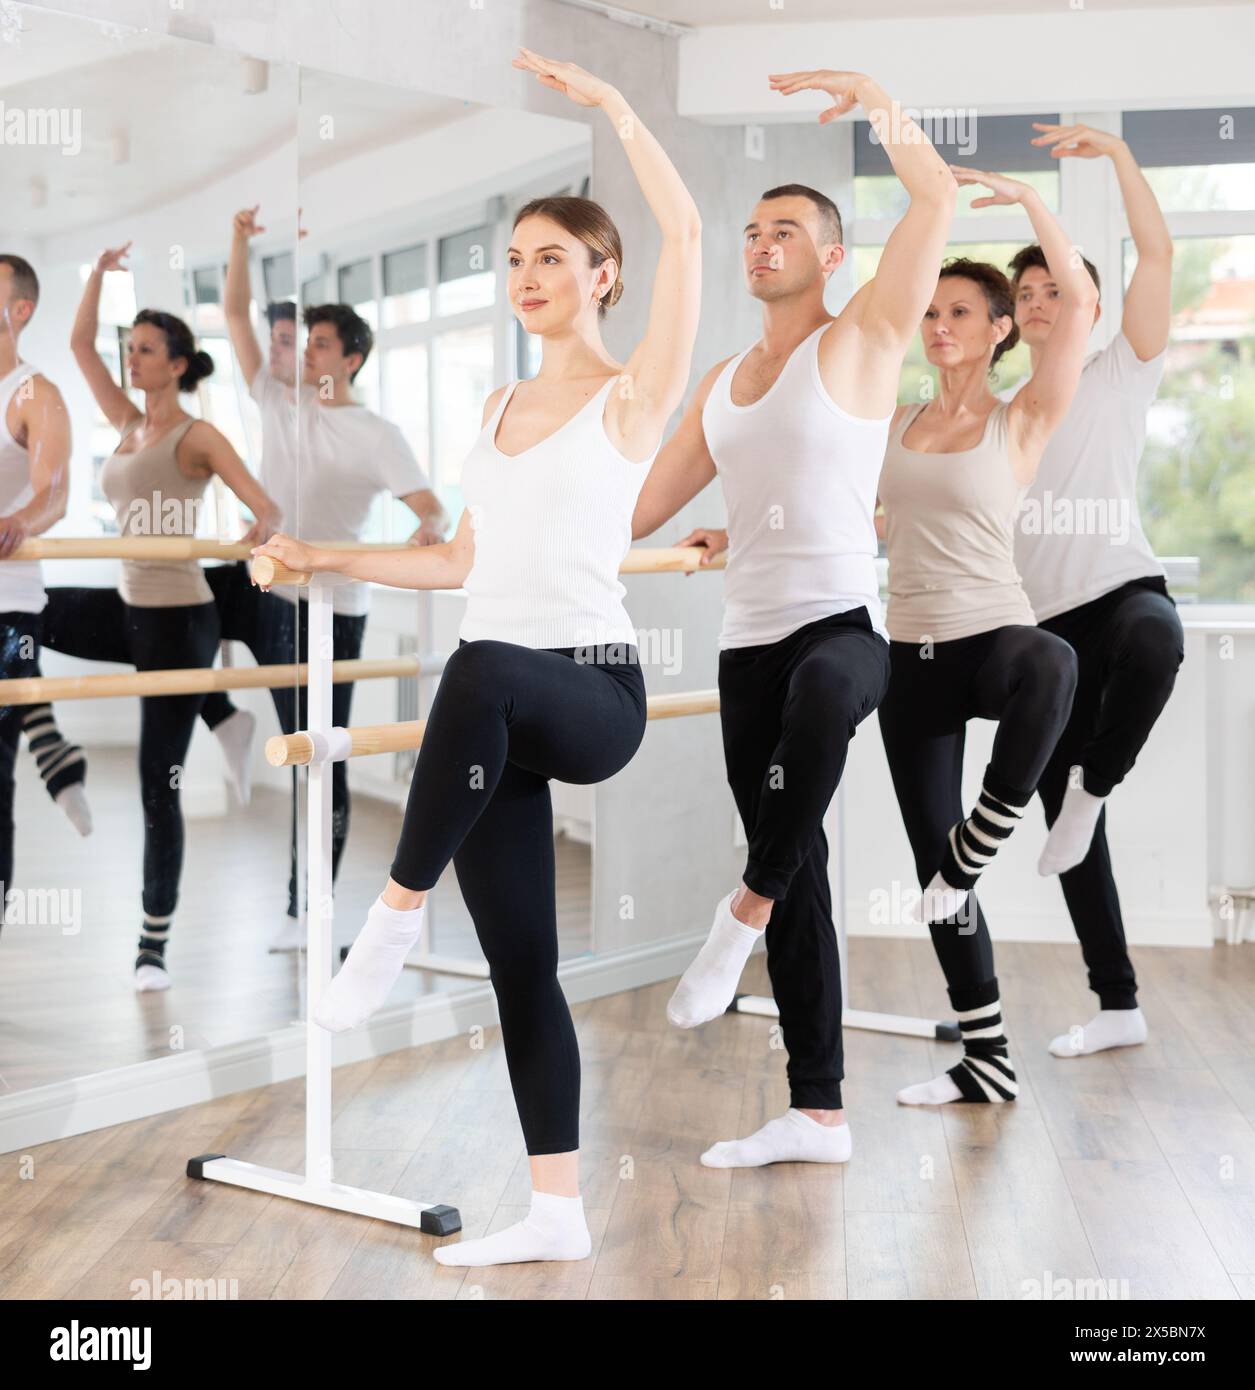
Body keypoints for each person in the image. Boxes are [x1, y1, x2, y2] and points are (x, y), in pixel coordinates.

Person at [253, 49, 700, 1267]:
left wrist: (615, 108)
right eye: (514, 260)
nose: (526, 277)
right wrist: (321, 560)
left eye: (551, 257)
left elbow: (691, 231)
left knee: (484, 664)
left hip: (593, 691)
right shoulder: (498, 413)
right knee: (522, 970)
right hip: (499, 704)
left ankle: (390, 917)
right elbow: (456, 565)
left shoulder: (629, 392)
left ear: (604, 275)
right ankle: (556, 1211)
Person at [631, 68, 956, 1166]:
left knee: (825, 695)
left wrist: (876, 98)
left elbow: (934, 202)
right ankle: (816, 1111)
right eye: (752, 230)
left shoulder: (859, 337)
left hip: (844, 628)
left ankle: (738, 915)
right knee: (803, 855)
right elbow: (640, 503)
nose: (761, 244)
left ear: (832, 258)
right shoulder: (724, 379)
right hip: (744, 645)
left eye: (787, 231)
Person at [874, 165, 1101, 1105]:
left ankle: (990, 832)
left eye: (960, 312)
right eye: (930, 313)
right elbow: (834, 509)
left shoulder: (1021, 419)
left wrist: (1032, 205)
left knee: (1053, 658)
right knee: (936, 882)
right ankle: (986, 1058)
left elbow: (1080, 301)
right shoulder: (887, 425)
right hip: (909, 654)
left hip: (991, 635)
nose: (938, 327)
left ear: (1000, 328)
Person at [197, 205, 448, 952]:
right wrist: (241, 239)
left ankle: (308, 907)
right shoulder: (278, 402)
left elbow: (429, 507)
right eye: (303, 342)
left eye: (320, 346)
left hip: (332, 612)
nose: (304, 354)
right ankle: (221, 719)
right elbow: (236, 312)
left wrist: (427, 531)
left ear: (351, 361)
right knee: (176, 606)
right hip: (268, 590)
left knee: (316, 755)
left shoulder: (377, 435)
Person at [40, 244, 282, 989]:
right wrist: (97, 278)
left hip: (181, 618)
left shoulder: (194, 435)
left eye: (146, 350)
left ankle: (152, 943)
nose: (132, 358)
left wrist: (257, 531)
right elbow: (81, 347)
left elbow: (265, 505)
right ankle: (56, 747)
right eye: (132, 348)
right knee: (29, 615)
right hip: (130, 610)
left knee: (157, 782)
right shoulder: (124, 422)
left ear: (177, 364)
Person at [1006, 123, 1184, 1058]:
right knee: (1070, 837)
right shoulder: (999, 415)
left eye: (1054, 288)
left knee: (1157, 640)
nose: (1038, 303)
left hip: (1121, 587)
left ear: (1086, 300)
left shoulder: (1121, 370)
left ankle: (1093, 787)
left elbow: (1157, 250)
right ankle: (1118, 1006)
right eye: (1023, 293)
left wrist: (1117, 155)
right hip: (1040, 630)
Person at [0, 253, 72, 922]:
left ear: (19, 310)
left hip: (8, 610)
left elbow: (54, 491)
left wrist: (17, 521)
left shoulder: (34, 394)